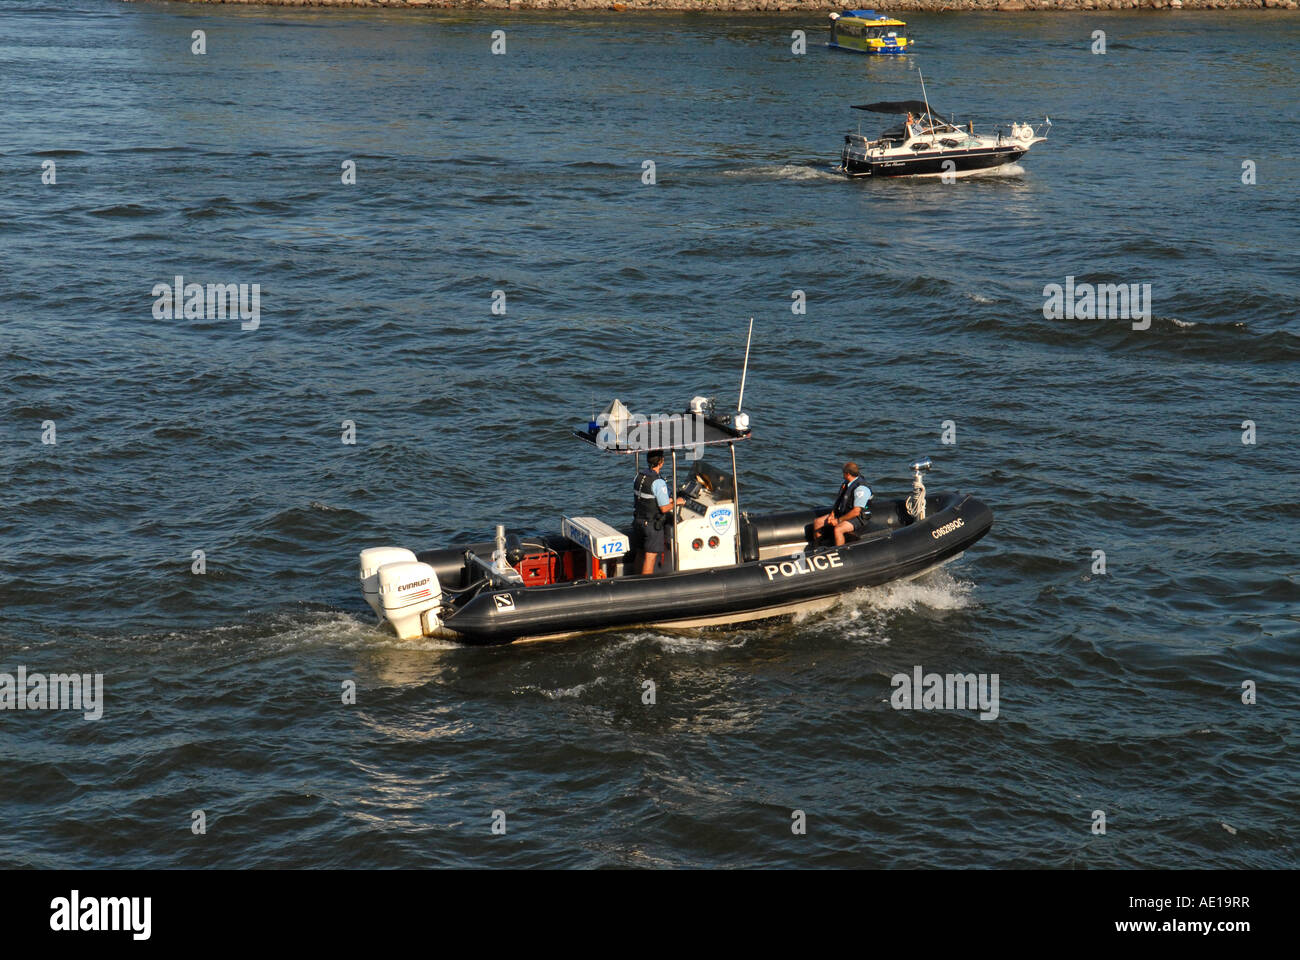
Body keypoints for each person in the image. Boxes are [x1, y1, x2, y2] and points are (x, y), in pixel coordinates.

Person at [632, 451, 684, 575]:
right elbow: (664, 508)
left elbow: (648, 497)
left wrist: (670, 500)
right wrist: (677, 502)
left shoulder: (638, 477)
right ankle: (646, 586)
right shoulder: (658, 482)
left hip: (638, 521)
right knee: (650, 557)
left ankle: (635, 582)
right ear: (661, 462)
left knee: (640, 553)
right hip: (651, 525)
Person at [812, 462, 873, 547]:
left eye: (843, 472)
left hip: (858, 517)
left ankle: (838, 552)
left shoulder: (861, 489)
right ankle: (818, 548)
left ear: (847, 474)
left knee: (838, 529)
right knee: (818, 522)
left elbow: (856, 512)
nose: (842, 474)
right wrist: (832, 513)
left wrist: (838, 521)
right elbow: (839, 500)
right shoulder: (846, 483)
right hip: (845, 512)